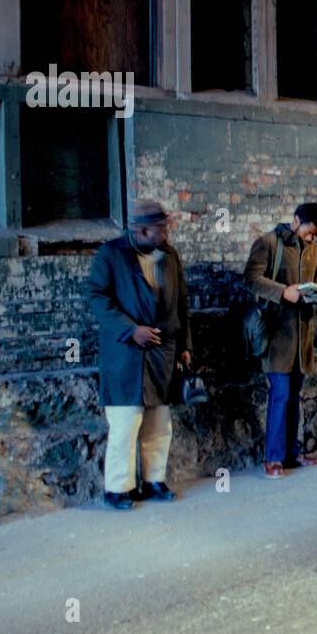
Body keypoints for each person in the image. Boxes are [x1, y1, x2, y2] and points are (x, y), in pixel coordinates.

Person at [87, 200, 191, 510]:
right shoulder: (111, 254)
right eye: (161, 229)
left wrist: (185, 346)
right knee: (125, 424)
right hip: (125, 354)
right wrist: (131, 330)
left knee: (159, 423)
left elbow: (181, 304)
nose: (166, 234)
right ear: (142, 230)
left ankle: (154, 480)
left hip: (161, 353)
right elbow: (97, 298)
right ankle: (118, 489)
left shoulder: (170, 256)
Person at [243, 202, 317, 479]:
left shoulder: (313, 249)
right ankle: (272, 458)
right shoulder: (268, 243)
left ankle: (292, 453)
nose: (312, 238)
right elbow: (251, 279)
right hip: (276, 334)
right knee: (280, 395)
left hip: (302, 334)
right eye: (309, 232)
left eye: (316, 235)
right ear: (296, 221)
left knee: (295, 395)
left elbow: (316, 280)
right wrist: (283, 291)